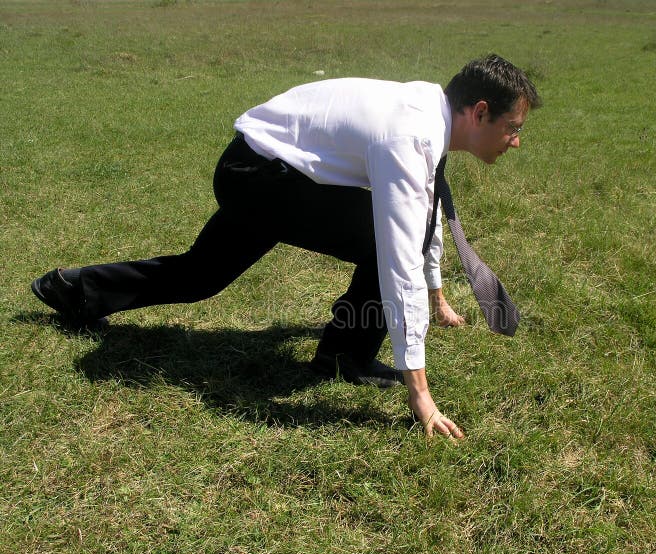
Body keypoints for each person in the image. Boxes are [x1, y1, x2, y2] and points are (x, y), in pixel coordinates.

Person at [31, 54, 541, 440]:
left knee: (201, 276)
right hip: (260, 175)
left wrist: (438, 295)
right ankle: (346, 356)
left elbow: (426, 210)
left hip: (260, 169)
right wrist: (421, 394)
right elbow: (400, 256)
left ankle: (75, 292)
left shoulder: (430, 110)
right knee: (380, 240)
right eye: (513, 129)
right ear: (478, 112)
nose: (516, 142)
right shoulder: (411, 137)